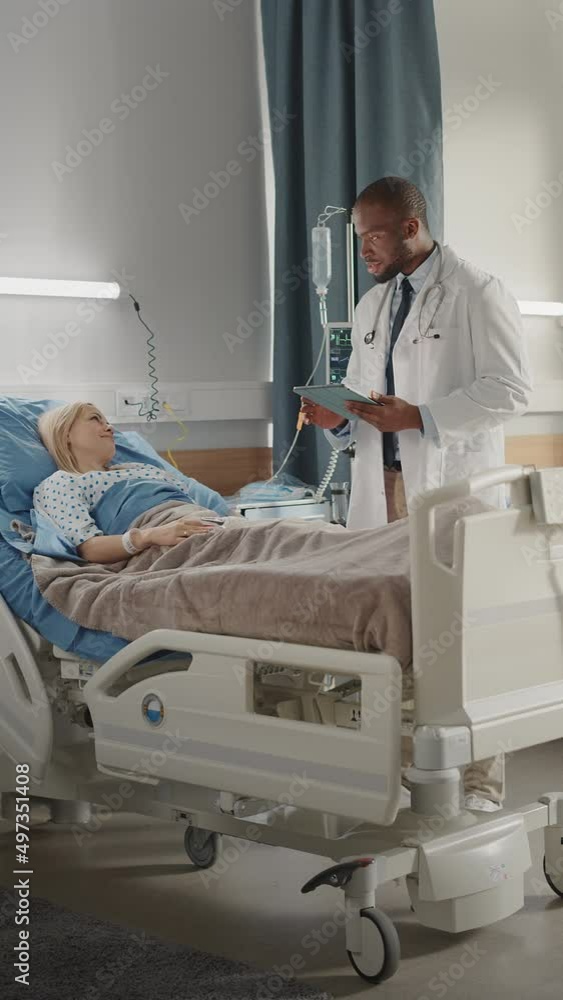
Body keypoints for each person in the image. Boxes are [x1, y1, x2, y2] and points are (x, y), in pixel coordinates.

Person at [301, 176, 532, 528]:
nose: (364, 251)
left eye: (375, 237)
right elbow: (361, 390)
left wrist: (419, 417)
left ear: (410, 228)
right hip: (381, 481)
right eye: (360, 238)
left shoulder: (478, 292)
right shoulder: (372, 305)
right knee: (376, 581)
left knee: (440, 581)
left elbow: (509, 390)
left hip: (448, 481)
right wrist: (339, 418)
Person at [34, 402, 228, 563]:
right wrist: (147, 536)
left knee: (252, 536)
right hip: (163, 543)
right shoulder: (63, 482)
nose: (109, 428)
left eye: (108, 422)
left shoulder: (143, 469)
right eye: (95, 419)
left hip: (207, 524)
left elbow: (193, 505)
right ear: (65, 433)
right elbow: (89, 548)